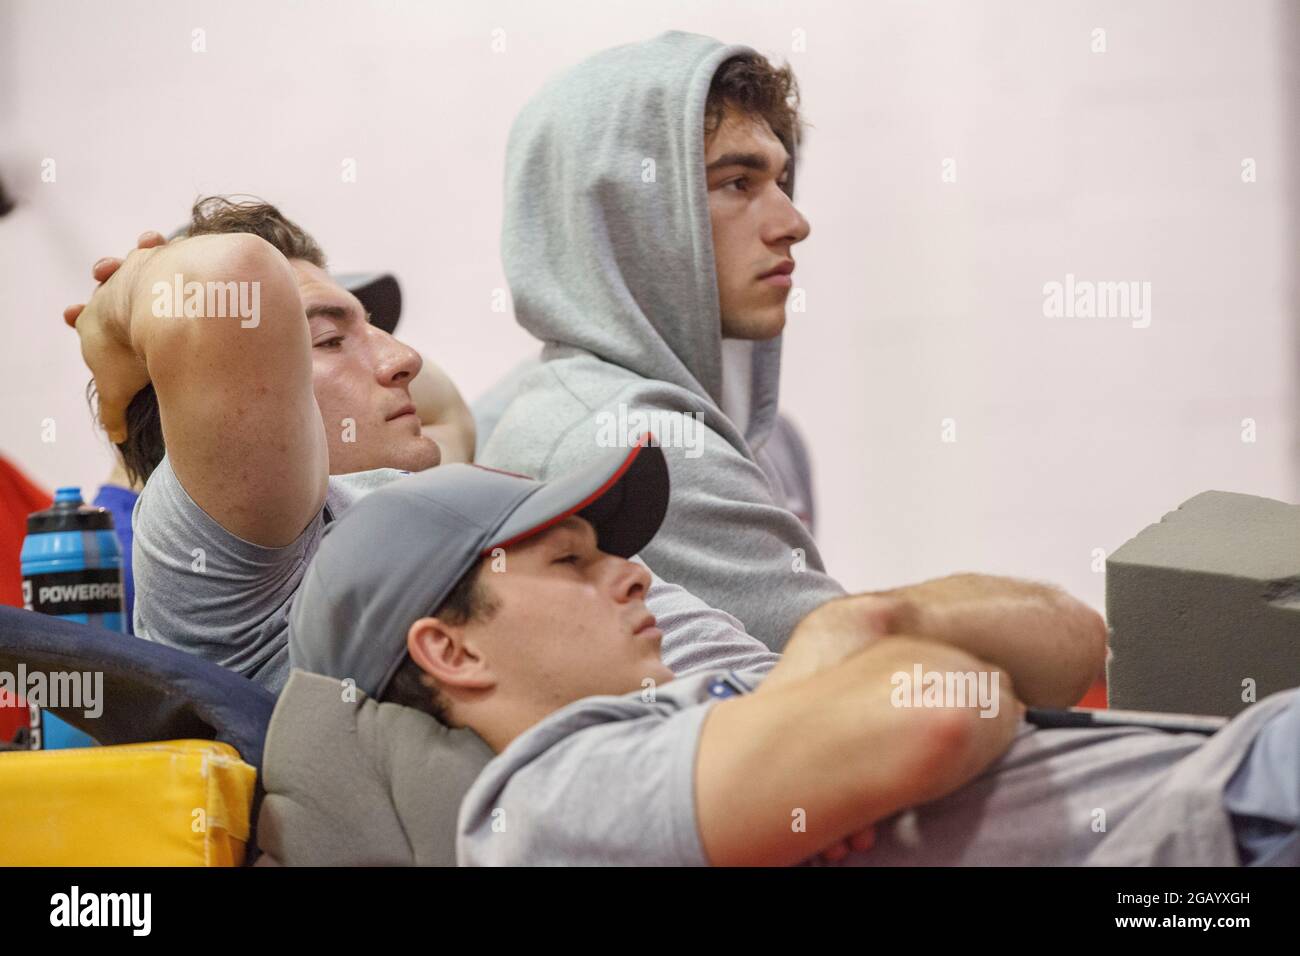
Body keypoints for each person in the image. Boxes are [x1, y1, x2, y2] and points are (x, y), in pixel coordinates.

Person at [287, 439, 1300, 866]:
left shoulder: (708, 716)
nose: (636, 576)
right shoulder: (543, 806)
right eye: (571, 561)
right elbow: (935, 709)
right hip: (1220, 830)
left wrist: (840, 639)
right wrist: (860, 654)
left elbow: (1071, 635)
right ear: (449, 650)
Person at [481, 32, 842, 650]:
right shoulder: (623, 438)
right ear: (622, 214)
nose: (793, 223)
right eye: (737, 183)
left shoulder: (766, 436)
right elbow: (867, 665)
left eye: (782, 182)